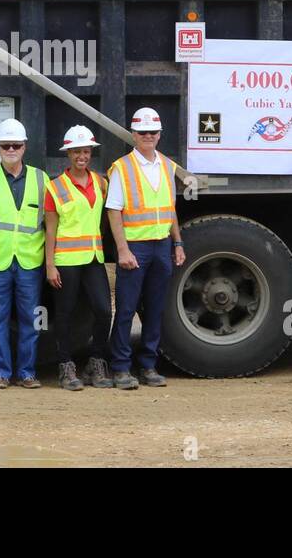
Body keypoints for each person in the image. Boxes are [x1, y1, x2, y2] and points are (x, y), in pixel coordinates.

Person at [106, 107, 185, 389]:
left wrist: (177, 242)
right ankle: (120, 367)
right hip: (135, 248)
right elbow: (114, 211)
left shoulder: (167, 166)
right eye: (142, 132)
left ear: (159, 134)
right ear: (134, 135)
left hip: (162, 246)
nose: (148, 136)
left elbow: (171, 209)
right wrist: (123, 250)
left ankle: (148, 366)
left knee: (155, 309)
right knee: (126, 309)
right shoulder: (122, 168)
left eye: (152, 132)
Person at [0, 119, 46, 390]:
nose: (11, 149)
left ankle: (26, 372)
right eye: (6, 145)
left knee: (31, 319)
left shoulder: (41, 178)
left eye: (16, 145)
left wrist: (50, 262)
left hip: (29, 260)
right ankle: (0, 372)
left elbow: (50, 223)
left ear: (25, 147)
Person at [44, 125, 114, 391]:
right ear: (68, 154)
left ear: (90, 153)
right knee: (64, 314)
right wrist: (50, 265)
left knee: (104, 311)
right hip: (66, 260)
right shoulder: (55, 187)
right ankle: (66, 366)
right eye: (76, 151)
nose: (81, 156)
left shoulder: (100, 182)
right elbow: (50, 229)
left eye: (85, 151)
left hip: (93, 258)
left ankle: (96, 363)